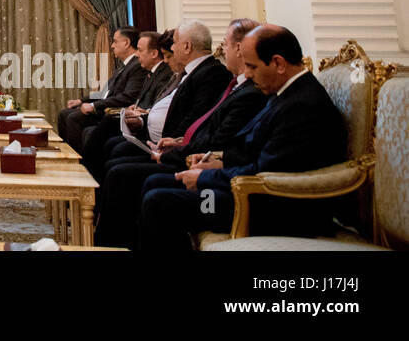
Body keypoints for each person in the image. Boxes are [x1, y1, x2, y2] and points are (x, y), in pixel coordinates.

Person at [138, 24, 347, 251]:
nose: (247, 74)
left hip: (268, 207)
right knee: (156, 182)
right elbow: (256, 149)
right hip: (250, 192)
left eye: (252, 67)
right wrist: (220, 162)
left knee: (160, 201)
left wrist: (204, 179)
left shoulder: (302, 105)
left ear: (278, 63)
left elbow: (266, 171)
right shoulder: (284, 92)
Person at [95, 19, 266, 249]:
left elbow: (251, 158)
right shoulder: (244, 88)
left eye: (226, 44)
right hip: (215, 172)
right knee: (140, 180)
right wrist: (188, 148)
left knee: (155, 195)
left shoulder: (255, 92)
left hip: (236, 199)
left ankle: (111, 244)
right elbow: (228, 140)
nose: (223, 51)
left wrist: (204, 168)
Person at [81, 29, 171, 179]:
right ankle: (88, 173)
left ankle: (87, 173)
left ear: (154, 54)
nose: (137, 54)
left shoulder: (163, 73)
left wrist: (143, 112)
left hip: (148, 128)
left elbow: (155, 104)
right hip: (139, 118)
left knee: (108, 122)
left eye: (140, 50)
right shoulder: (150, 71)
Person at [56, 27, 147, 153]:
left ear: (126, 43)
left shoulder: (136, 66)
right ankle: (66, 154)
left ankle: (79, 161)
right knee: (64, 113)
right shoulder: (123, 66)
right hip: (105, 107)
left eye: (115, 42)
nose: (112, 46)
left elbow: (127, 97)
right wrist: (80, 101)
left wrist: (93, 106)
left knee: (73, 118)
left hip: (115, 111)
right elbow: (105, 93)